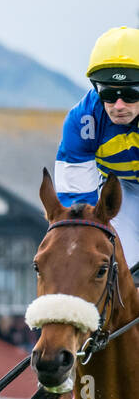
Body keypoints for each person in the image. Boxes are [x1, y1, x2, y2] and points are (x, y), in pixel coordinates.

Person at [55, 26, 139, 261]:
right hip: (123, 188)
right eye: (109, 94)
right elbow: (78, 203)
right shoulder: (82, 120)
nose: (119, 105)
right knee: (122, 262)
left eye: (131, 93)